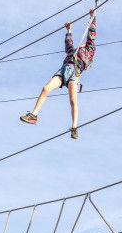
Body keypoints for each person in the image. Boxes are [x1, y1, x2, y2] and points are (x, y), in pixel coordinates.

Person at [19, 9, 97, 139]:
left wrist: (92, 18)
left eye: (84, 44)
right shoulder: (74, 51)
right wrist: (69, 31)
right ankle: (34, 115)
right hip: (64, 70)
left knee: (73, 100)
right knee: (45, 88)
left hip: (74, 73)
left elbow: (91, 35)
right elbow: (69, 45)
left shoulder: (88, 51)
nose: (82, 44)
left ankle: (74, 127)